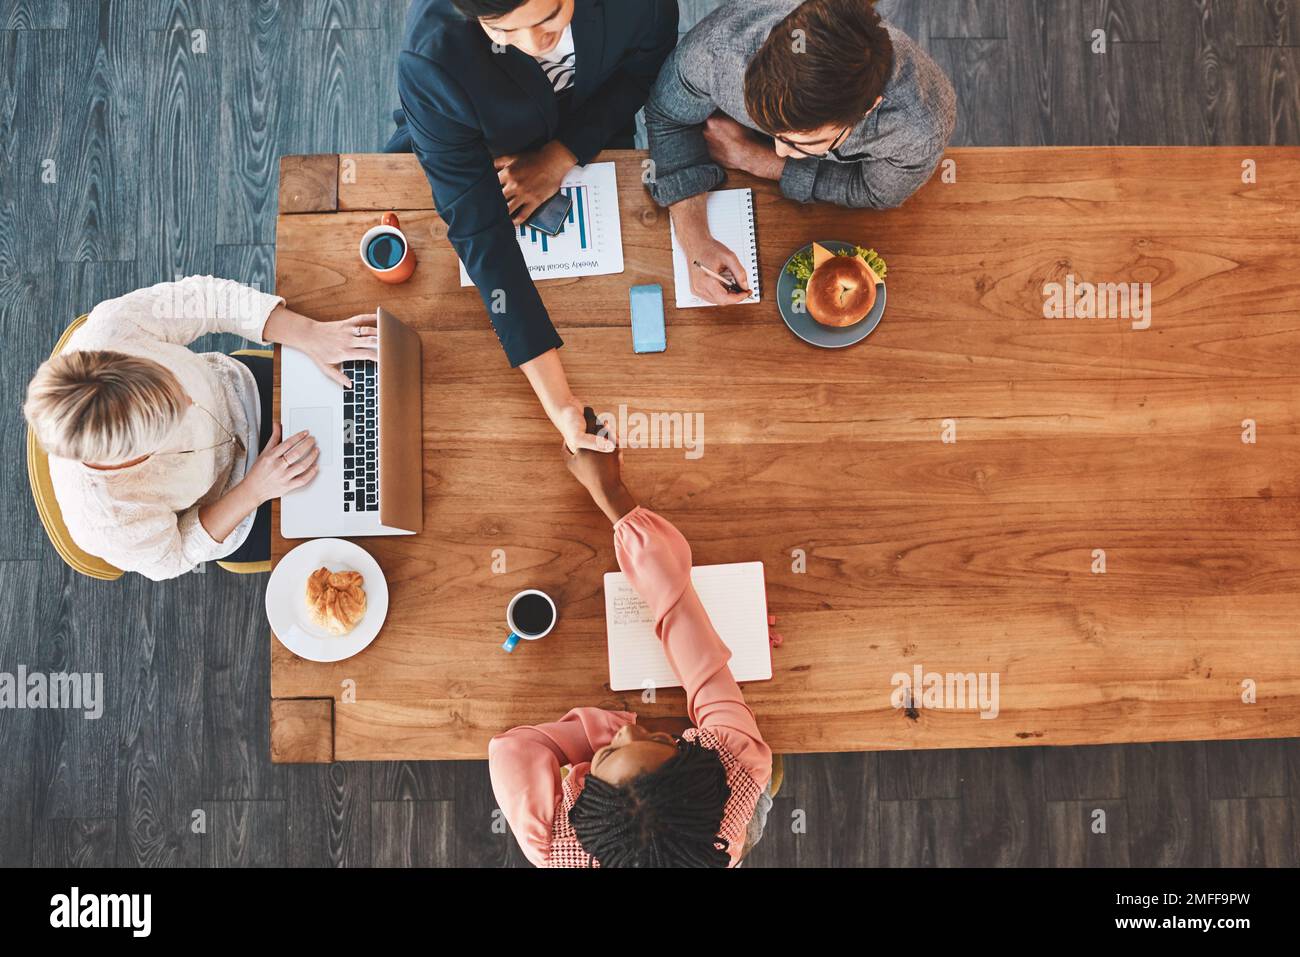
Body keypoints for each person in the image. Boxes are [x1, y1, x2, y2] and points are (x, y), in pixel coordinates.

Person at [387, 0, 678, 454]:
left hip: (596, 125)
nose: (532, 44)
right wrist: (559, 400)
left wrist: (563, 153)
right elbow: (479, 228)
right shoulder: (432, 58)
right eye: (504, 31)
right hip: (480, 147)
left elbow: (644, 69)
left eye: (548, 17)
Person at [487, 414, 773, 867]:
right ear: (703, 770)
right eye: (659, 738)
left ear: (582, 813)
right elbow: (683, 617)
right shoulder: (736, 763)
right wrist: (613, 497)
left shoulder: (554, 846)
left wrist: (624, 737)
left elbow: (511, 749)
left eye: (606, 755)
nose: (623, 729)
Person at [24, 276, 373, 581]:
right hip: (238, 506)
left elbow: (208, 299)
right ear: (127, 458)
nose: (190, 404)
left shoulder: (112, 330)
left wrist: (311, 334)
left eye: (173, 382)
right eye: (171, 423)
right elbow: (175, 555)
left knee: (374, 389)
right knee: (364, 536)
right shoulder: (106, 523)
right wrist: (254, 489)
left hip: (242, 390)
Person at [644, 0, 956, 305]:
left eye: (798, 144)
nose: (780, 149)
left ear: (868, 108)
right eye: (768, 125)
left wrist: (756, 159)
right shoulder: (717, 51)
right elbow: (667, 115)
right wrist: (696, 240)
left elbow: (874, 191)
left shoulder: (919, 127)